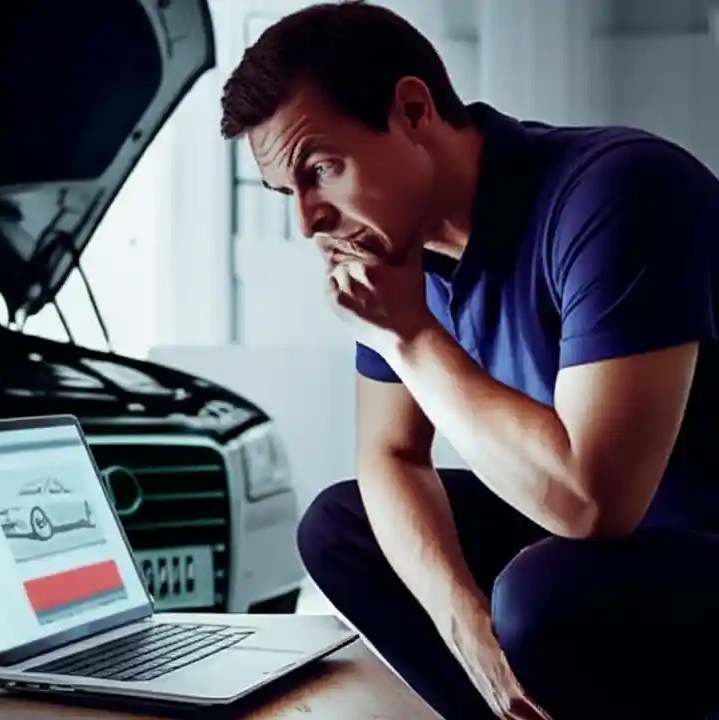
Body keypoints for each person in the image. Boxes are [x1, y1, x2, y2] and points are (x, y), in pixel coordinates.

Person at [219, 2, 719, 719]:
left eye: (322, 169)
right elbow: (391, 455)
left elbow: (594, 503)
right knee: (340, 527)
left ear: (413, 110)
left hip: (693, 539)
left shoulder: (620, 190)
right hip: (606, 548)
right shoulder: (395, 248)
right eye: (284, 193)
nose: (308, 222)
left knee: (542, 594)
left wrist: (411, 336)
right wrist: (464, 624)